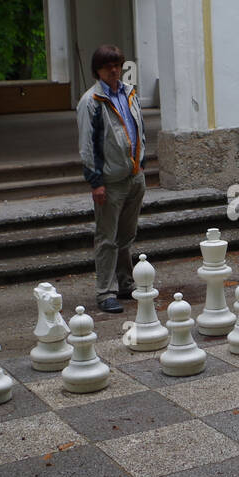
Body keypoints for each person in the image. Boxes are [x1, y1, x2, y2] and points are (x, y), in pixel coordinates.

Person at [77, 44, 146, 314]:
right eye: (108, 66)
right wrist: (96, 182)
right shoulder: (91, 102)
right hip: (110, 181)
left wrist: (141, 165)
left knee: (126, 236)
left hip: (134, 176)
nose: (114, 70)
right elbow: (87, 146)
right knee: (107, 238)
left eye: (117, 65)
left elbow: (137, 130)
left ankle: (126, 283)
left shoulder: (130, 92)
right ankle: (105, 292)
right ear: (98, 70)